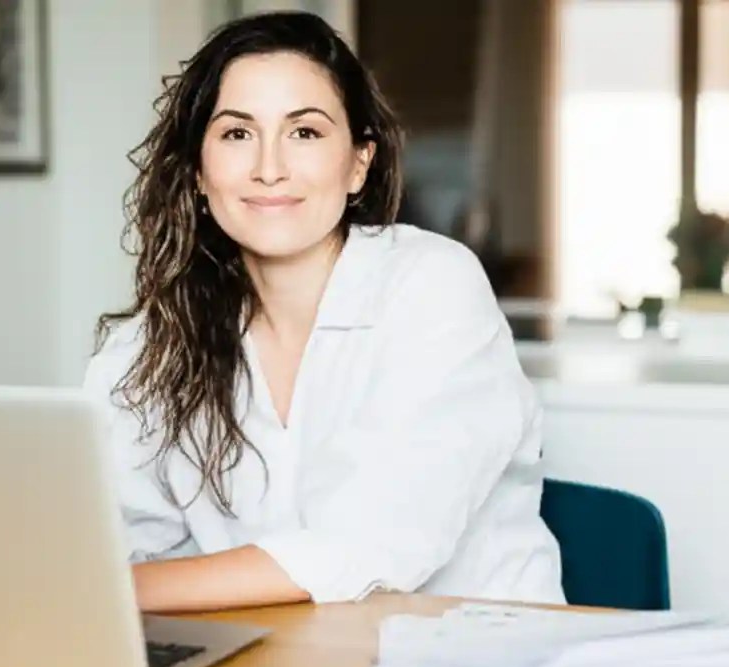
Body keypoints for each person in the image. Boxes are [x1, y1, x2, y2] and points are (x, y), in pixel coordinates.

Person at [83, 11, 563, 613]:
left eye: (304, 133)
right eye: (237, 134)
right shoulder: (152, 342)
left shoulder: (432, 286)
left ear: (359, 162)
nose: (269, 166)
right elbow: (114, 538)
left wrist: (99, 594)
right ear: (199, 173)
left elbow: (370, 544)